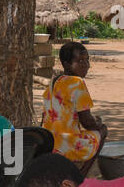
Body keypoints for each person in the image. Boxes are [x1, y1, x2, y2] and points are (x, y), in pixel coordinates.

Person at [41, 41, 106, 175]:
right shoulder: (77, 83)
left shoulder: (54, 81)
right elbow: (87, 122)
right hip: (67, 145)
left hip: (48, 144)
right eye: (80, 61)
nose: (85, 64)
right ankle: (81, 175)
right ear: (66, 64)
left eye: (87, 60)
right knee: (103, 131)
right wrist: (98, 124)